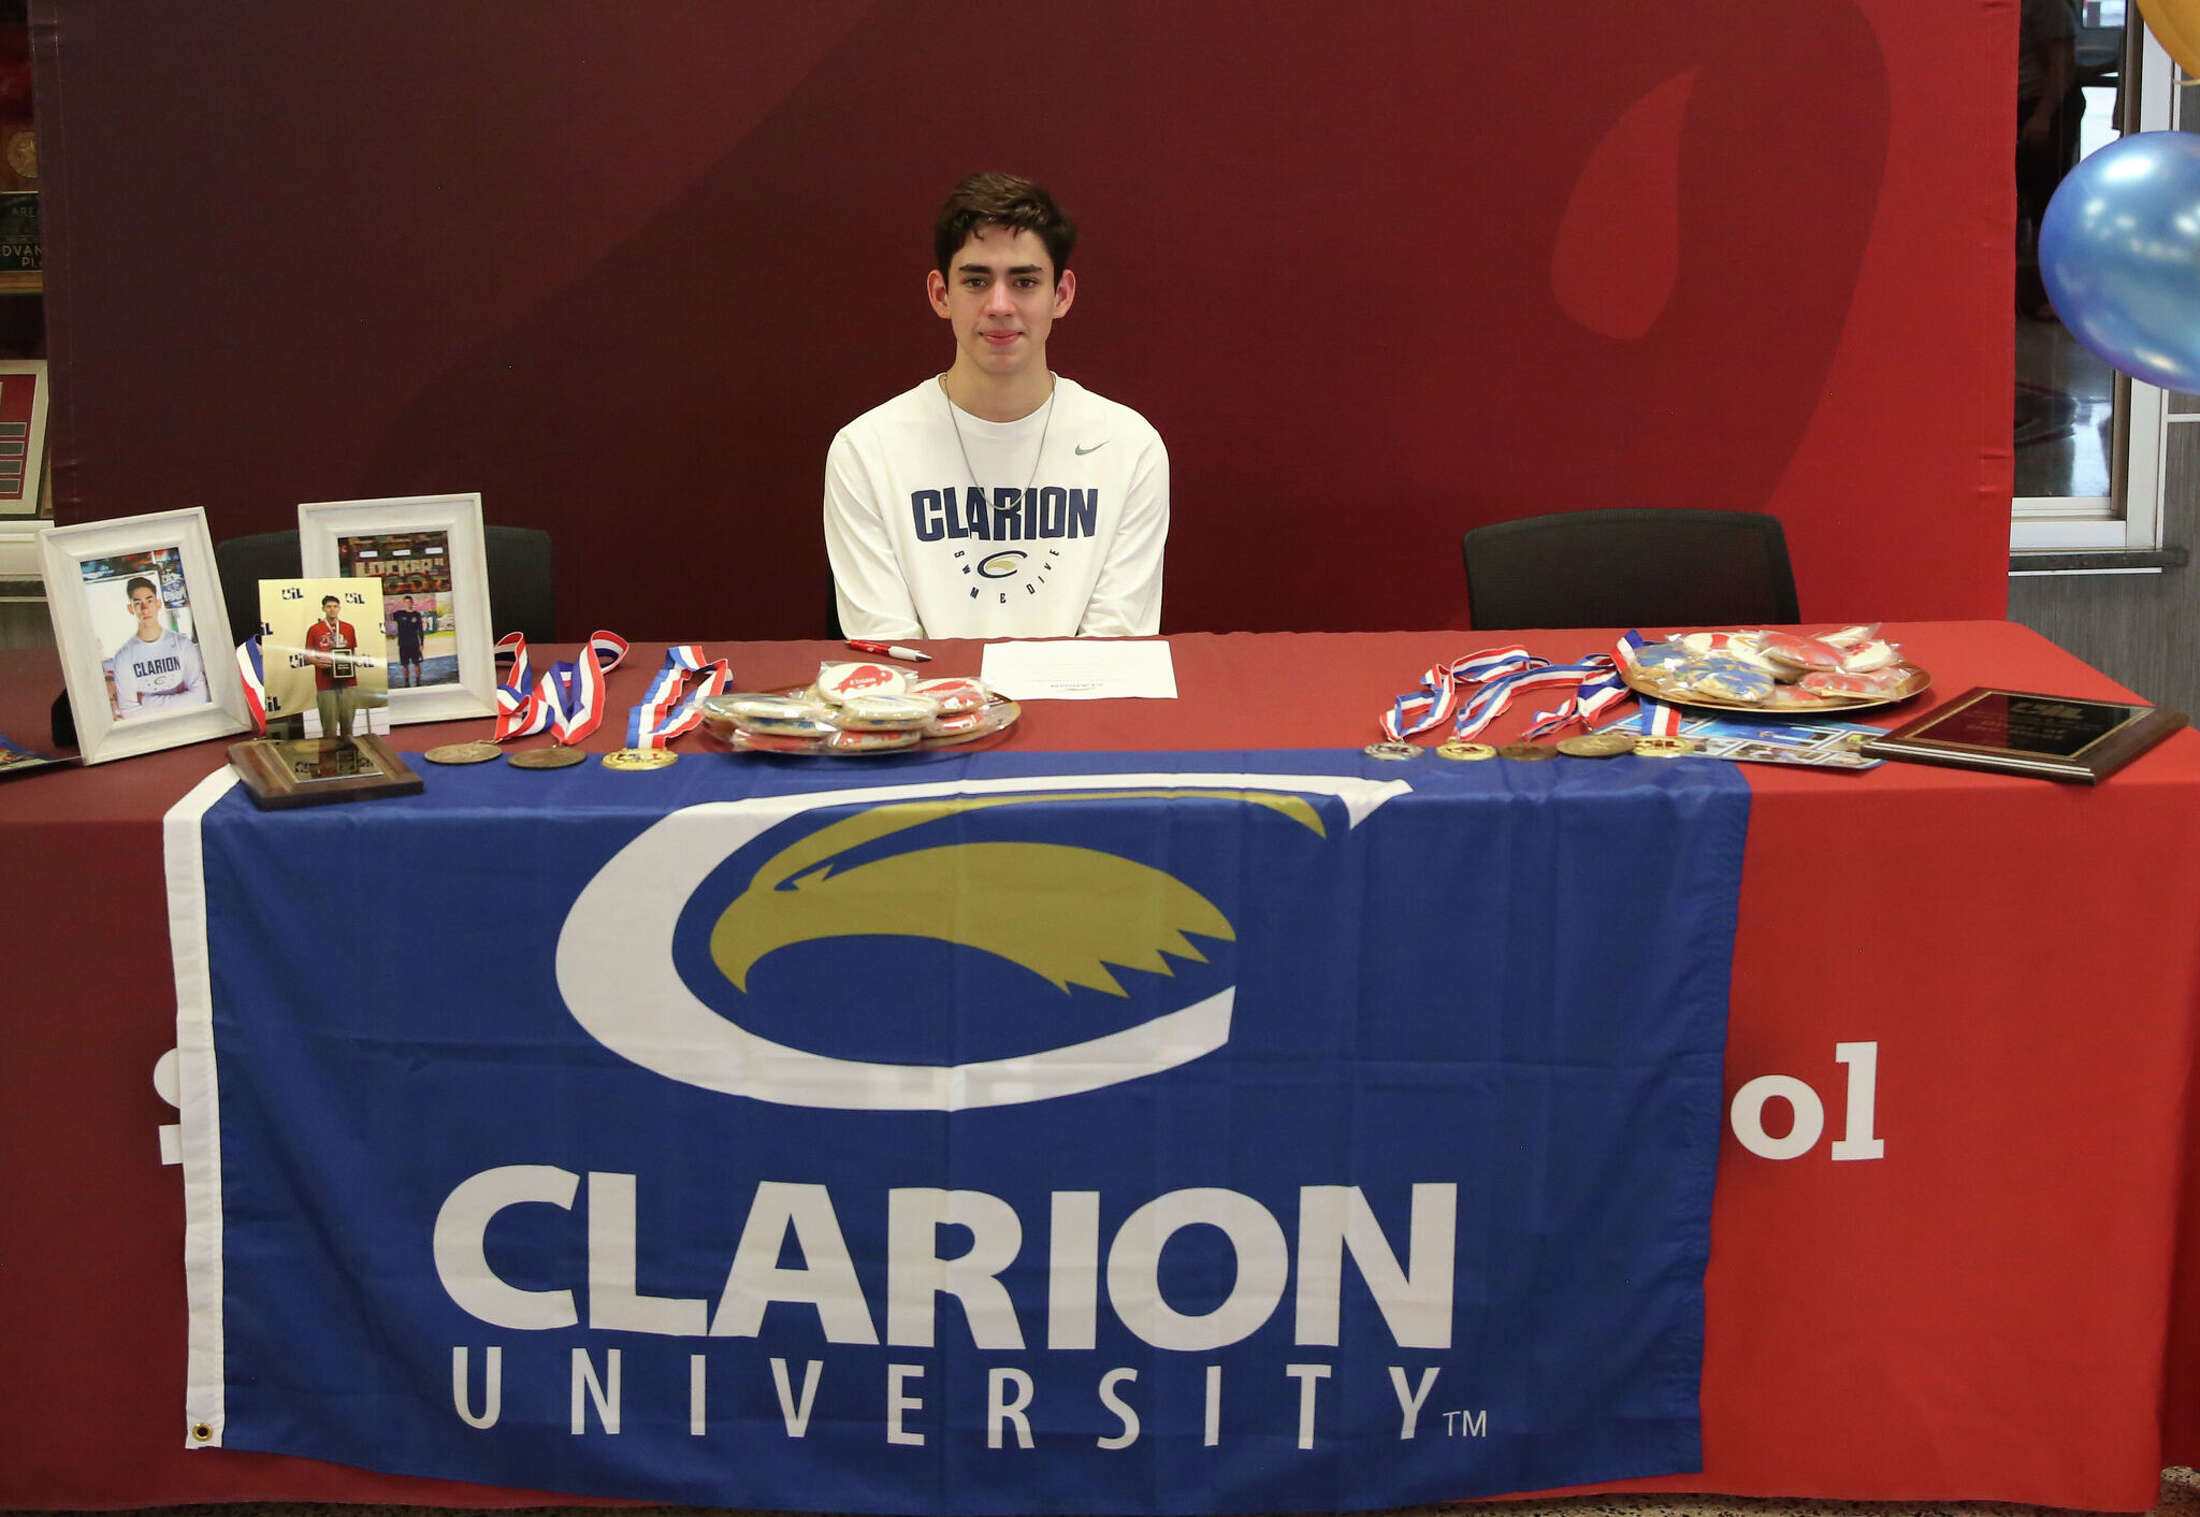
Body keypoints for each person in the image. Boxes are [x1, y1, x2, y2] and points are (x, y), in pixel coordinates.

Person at [824, 172, 1168, 639]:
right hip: (929, 710)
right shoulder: (865, 450)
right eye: (977, 281)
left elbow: (1113, 647)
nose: (1000, 304)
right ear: (941, 295)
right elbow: (891, 652)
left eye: (1024, 281)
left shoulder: (1130, 447)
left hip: (1079, 708)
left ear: (1061, 295)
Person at [109, 575, 208, 719]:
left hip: (189, 722)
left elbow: (200, 698)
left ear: (158, 603)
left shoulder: (183, 644)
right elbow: (129, 712)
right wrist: (182, 698)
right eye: (138, 603)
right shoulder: (123, 657)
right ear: (131, 609)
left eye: (149, 601)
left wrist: (144, 700)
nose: (145, 608)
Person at [304, 594, 360, 738]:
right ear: (323, 609)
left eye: (335, 606)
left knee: (348, 725)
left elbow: (352, 652)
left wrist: (354, 661)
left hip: (347, 681)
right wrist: (316, 661)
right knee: (329, 727)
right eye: (328, 607)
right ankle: (330, 759)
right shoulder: (314, 629)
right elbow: (307, 656)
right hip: (325, 682)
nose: (332, 610)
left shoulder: (348, 628)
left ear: (339, 608)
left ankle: (348, 756)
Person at [391, 594, 426, 687]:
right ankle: (406, 682)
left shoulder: (416, 615)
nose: (408, 604)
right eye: (406, 602)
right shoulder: (399, 614)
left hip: (414, 643)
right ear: (403, 603)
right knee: (405, 664)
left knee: (416, 663)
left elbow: (420, 630)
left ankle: (418, 682)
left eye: (409, 602)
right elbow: (387, 617)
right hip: (403, 643)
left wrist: (421, 643)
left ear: (412, 603)